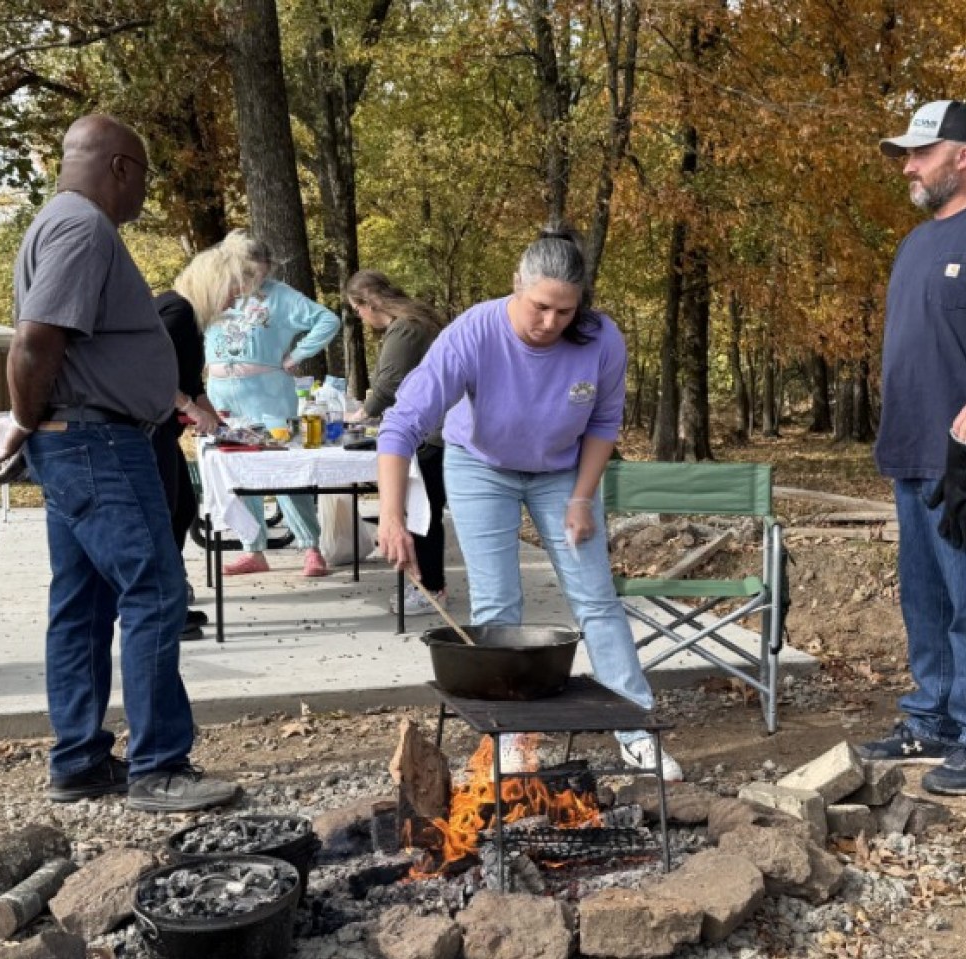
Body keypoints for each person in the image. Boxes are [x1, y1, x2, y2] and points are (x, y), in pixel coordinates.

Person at [0, 113, 240, 811]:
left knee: (82, 604)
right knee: (157, 592)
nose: (145, 192)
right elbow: (34, 340)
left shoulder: (58, 224)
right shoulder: (82, 228)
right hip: (98, 445)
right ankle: (160, 767)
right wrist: (21, 420)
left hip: (78, 441)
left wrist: (32, 424)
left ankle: (80, 760)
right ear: (121, 166)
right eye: (144, 175)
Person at [375, 224, 684, 781]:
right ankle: (512, 736)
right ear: (517, 283)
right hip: (481, 466)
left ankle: (634, 727)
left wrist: (582, 498)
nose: (550, 323)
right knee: (497, 604)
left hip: (562, 471)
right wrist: (393, 517)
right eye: (540, 307)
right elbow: (401, 425)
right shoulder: (473, 333)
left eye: (565, 312)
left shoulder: (602, 339)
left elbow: (604, 422)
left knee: (595, 597)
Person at [858, 99, 966, 796]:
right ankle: (933, 719)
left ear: (963, 155)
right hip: (913, 454)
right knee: (926, 601)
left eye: (920, 153)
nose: (907, 167)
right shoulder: (915, 245)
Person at [204, 231, 341, 577]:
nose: (254, 280)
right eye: (249, 273)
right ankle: (252, 547)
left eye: (261, 273)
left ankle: (310, 546)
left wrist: (297, 355)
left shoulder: (280, 296)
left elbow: (328, 319)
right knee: (235, 468)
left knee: (283, 466)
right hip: (221, 394)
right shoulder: (214, 293)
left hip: (268, 393)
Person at [153, 244, 257, 638]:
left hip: (162, 431)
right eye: (234, 289)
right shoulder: (177, 312)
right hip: (148, 431)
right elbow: (151, 370)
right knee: (168, 514)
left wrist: (219, 422)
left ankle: (171, 598)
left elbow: (191, 383)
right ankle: (165, 608)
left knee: (182, 510)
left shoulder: (191, 319)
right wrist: (189, 408)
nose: (236, 299)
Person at [344, 270, 448, 616]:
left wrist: (360, 416)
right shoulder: (418, 321)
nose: (360, 317)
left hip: (434, 432)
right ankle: (427, 583)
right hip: (436, 427)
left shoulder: (406, 328)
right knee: (423, 508)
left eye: (357, 309)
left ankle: (431, 588)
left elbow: (389, 385)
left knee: (424, 511)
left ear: (369, 303)